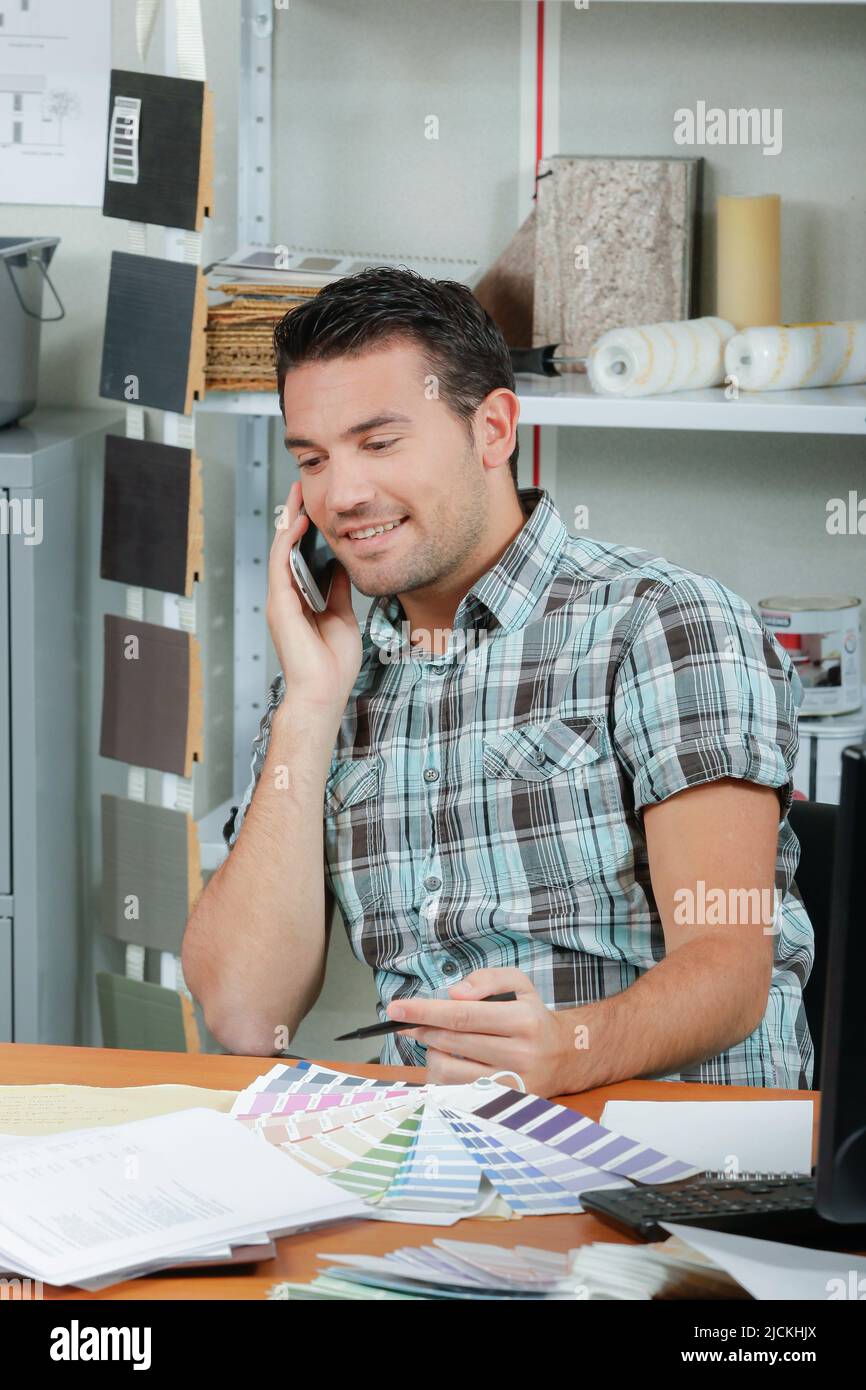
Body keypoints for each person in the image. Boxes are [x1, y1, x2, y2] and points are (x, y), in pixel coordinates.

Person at [182, 267, 814, 1098]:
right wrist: (308, 706)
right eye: (313, 459)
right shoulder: (336, 669)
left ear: (492, 430)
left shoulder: (664, 623)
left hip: (672, 1148)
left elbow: (728, 969)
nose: (344, 494)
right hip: (443, 1151)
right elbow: (241, 1013)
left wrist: (571, 1048)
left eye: (379, 443)